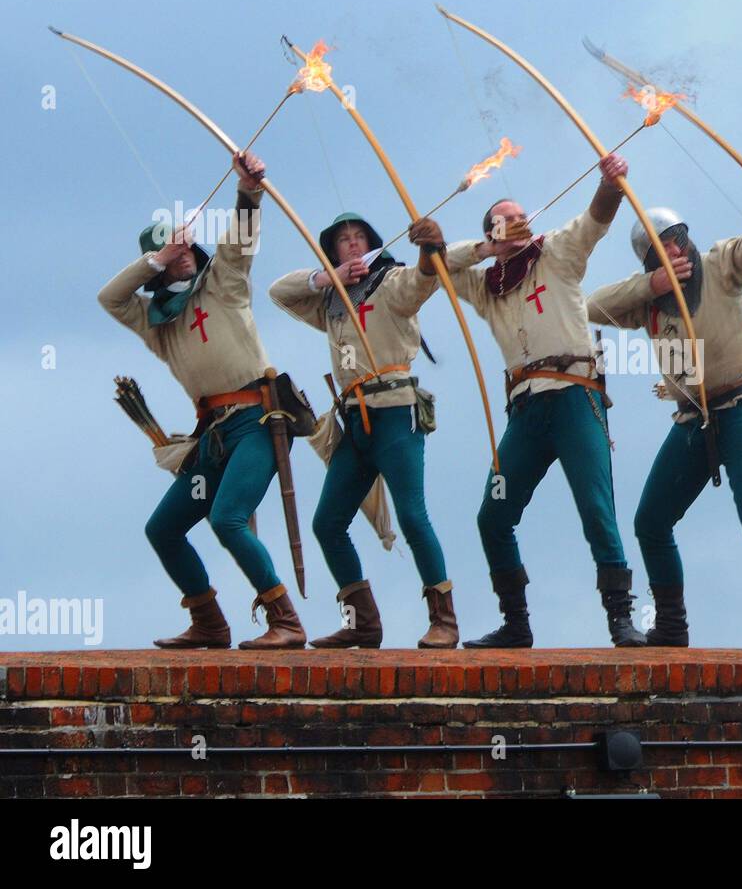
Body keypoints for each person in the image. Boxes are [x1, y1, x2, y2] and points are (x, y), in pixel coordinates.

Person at [98, 152, 307, 649]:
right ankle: (210, 625)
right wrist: (157, 257)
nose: (184, 251)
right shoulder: (156, 322)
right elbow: (110, 298)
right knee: (164, 529)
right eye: (173, 252)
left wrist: (249, 189)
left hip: (257, 421)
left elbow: (239, 244)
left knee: (227, 519)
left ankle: (286, 622)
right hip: (214, 436)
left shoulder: (223, 284)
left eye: (185, 244)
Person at [443, 153, 643, 648]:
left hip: (575, 396)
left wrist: (610, 183)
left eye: (521, 217)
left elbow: (596, 219)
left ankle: (621, 619)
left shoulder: (556, 253)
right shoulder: (485, 286)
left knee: (597, 509)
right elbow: (437, 266)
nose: (518, 224)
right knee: (492, 516)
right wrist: (482, 248)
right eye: (505, 220)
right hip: (528, 410)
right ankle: (516, 623)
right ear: (491, 233)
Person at [587, 203, 742, 648]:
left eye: (674, 238)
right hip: (693, 420)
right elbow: (591, 307)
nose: (670, 249)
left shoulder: (719, 262)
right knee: (650, 520)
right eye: (658, 247)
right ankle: (671, 626)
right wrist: (652, 285)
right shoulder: (647, 300)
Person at [269, 213, 457, 648]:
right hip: (355, 420)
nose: (352, 245)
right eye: (342, 241)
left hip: (394, 411)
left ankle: (444, 620)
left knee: (412, 514)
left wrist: (432, 247)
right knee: (328, 523)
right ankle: (363, 624)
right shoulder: (332, 301)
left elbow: (425, 278)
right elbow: (279, 292)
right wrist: (325, 277)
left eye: (358, 238)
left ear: (371, 242)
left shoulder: (391, 281)